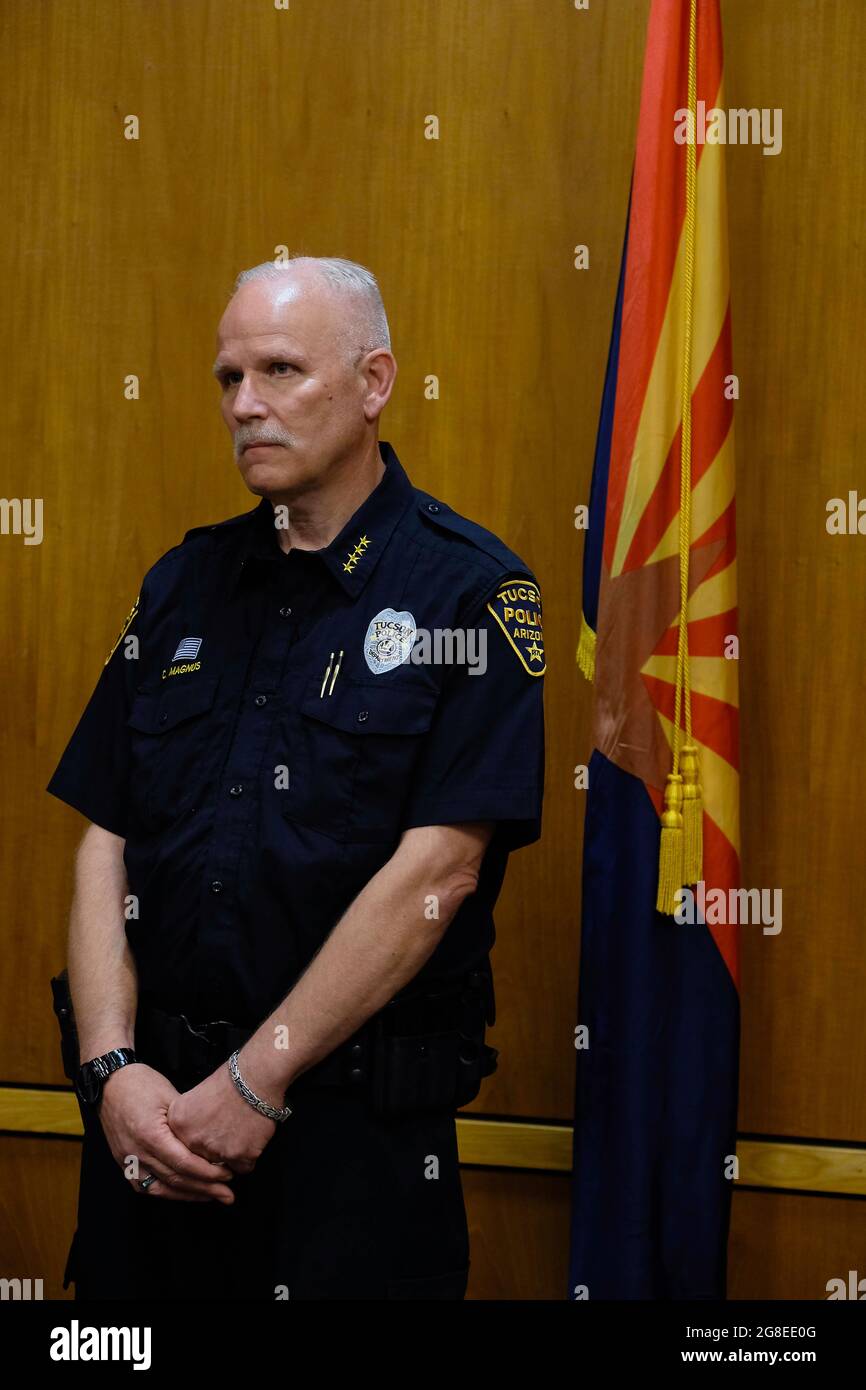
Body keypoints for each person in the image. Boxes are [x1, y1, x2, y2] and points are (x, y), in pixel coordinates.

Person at [46, 256, 546, 1300]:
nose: (246, 405)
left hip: (347, 1152)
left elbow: (441, 869)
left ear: (373, 383)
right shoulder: (182, 582)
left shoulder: (468, 592)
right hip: (152, 1128)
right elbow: (105, 833)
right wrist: (110, 1071)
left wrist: (256, 1079)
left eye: (280, 370)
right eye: (229, 378)